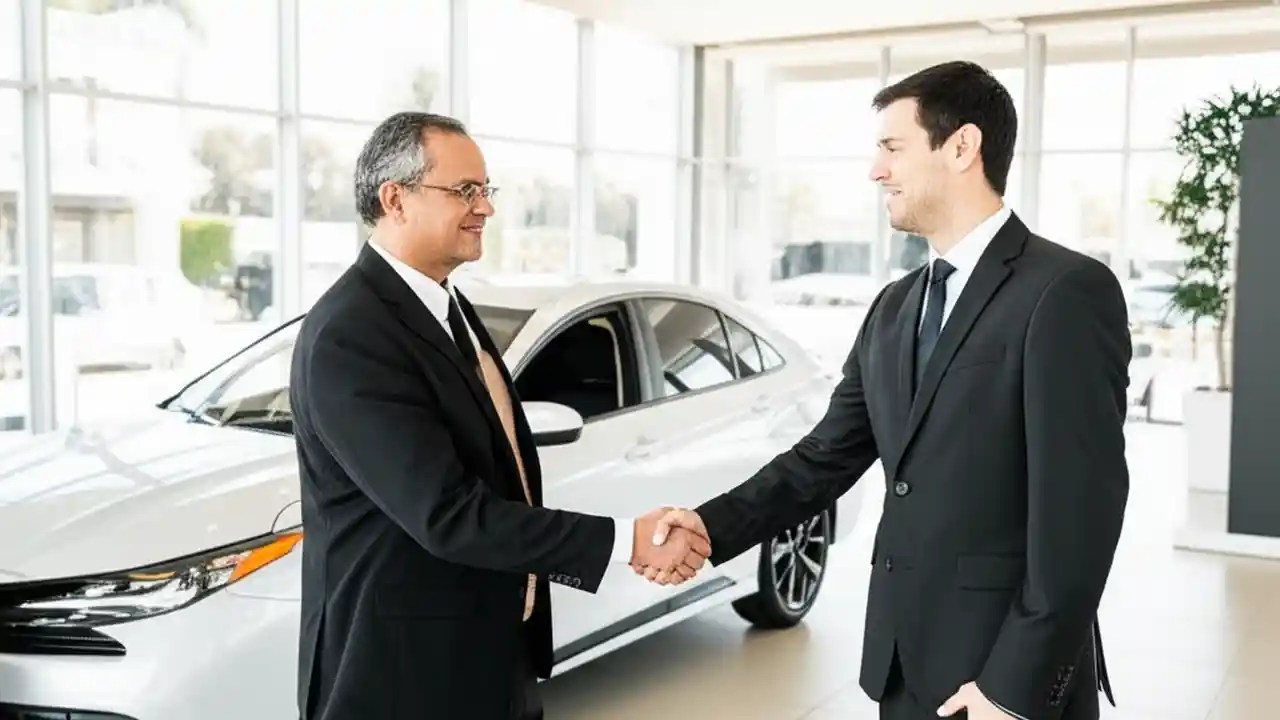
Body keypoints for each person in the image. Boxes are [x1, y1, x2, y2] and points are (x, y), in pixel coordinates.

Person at [644, 61, 1130, 720]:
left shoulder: (1065, 292)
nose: (876, 171)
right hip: (904, 661)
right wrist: (708, 526)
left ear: (962, 147)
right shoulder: (894, 307)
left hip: (1004, 678)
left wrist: (1011, 690)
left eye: (892, 148)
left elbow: (1080, 517)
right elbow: (825, 458)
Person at [289, 112, 710, 720]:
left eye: (486, 190)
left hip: (485, 656)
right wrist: (626, 539)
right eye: (464, 190)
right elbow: (448, 514)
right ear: (395, 199)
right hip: (401, 677)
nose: (485, 207)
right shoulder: (351, 333)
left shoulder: (447, 304)